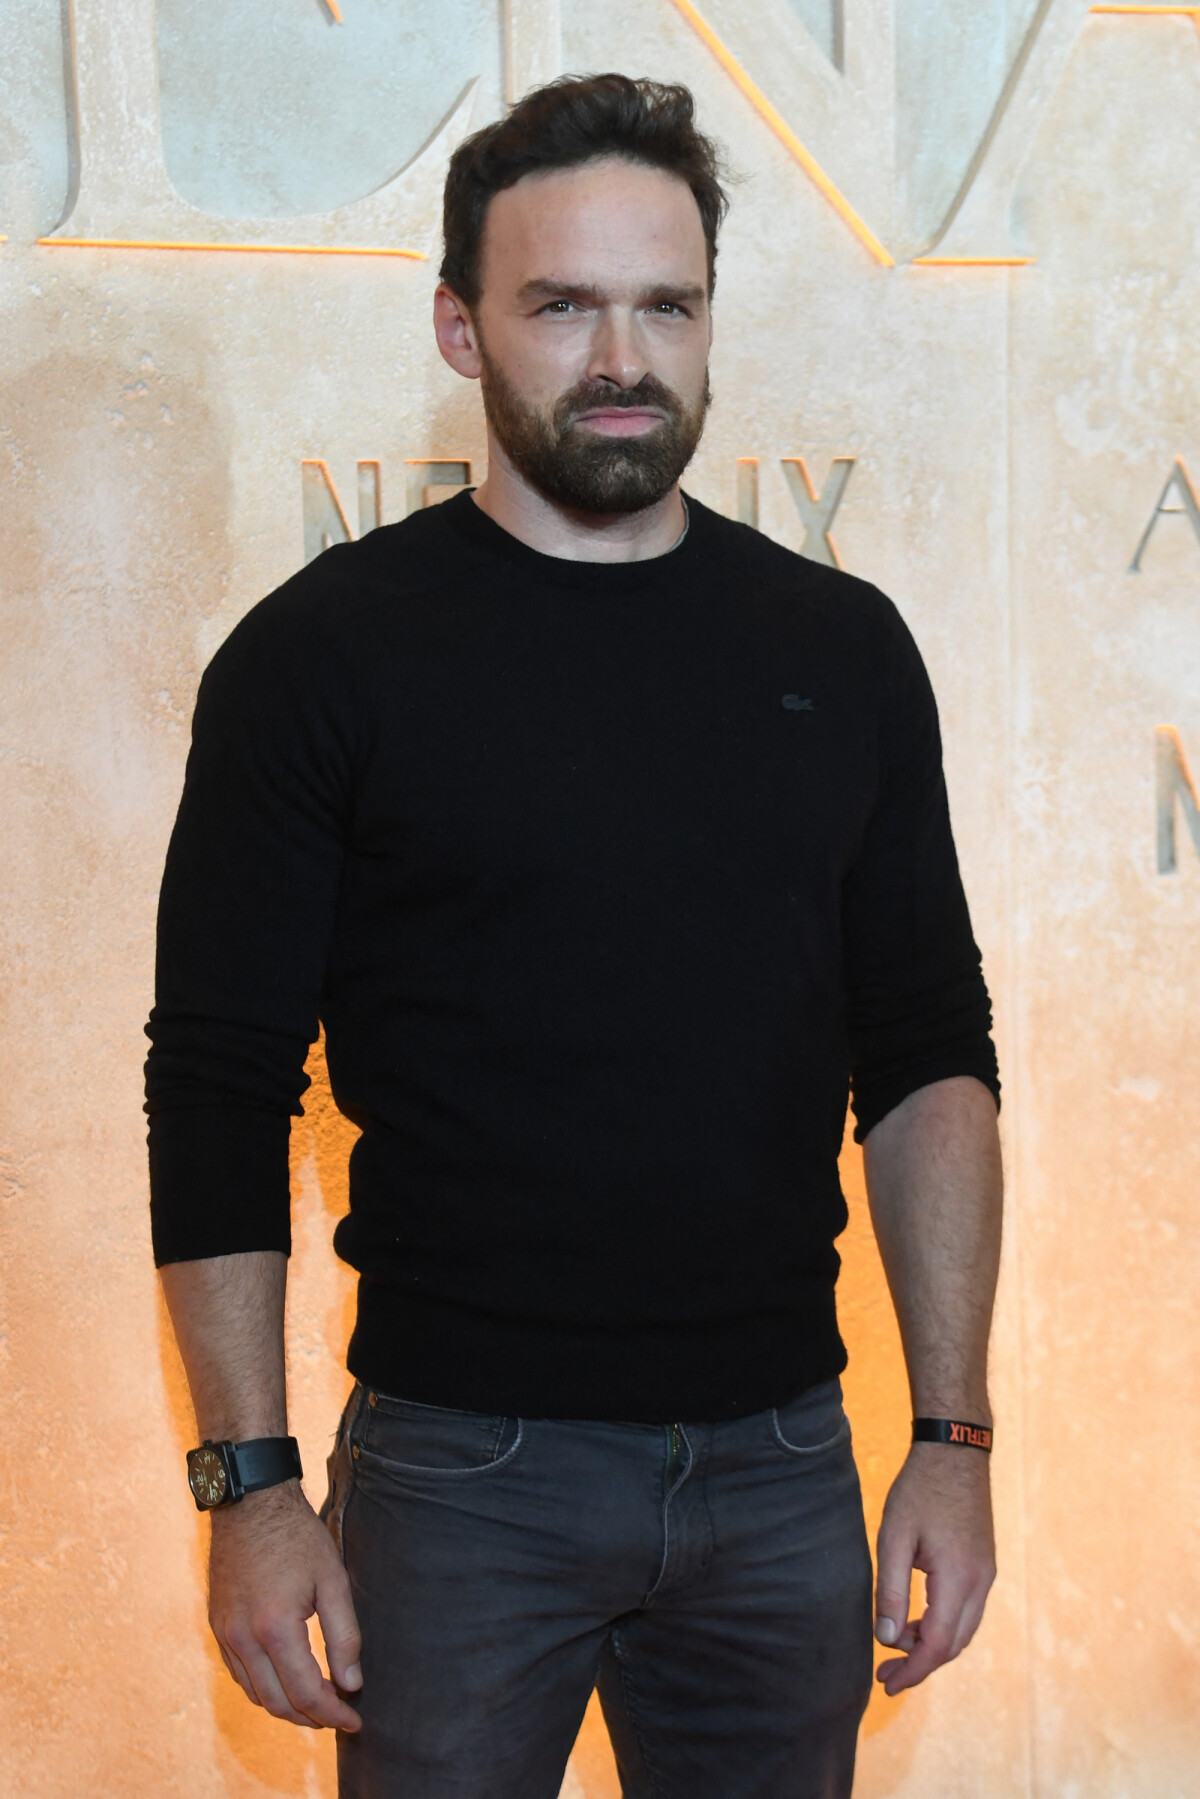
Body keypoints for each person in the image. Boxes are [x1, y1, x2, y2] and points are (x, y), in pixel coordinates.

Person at [147, 73, 1003, 1799]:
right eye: (563, 305)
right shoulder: (322, 660)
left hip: (784, 1475)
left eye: (665, 304)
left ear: (707, 320)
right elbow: (220, 1086)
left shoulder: (841, 649)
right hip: (460, 1488)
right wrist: (249, 1490)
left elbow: (928, 1057)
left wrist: (955, 1436)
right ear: (462, 330)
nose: (624, 357)